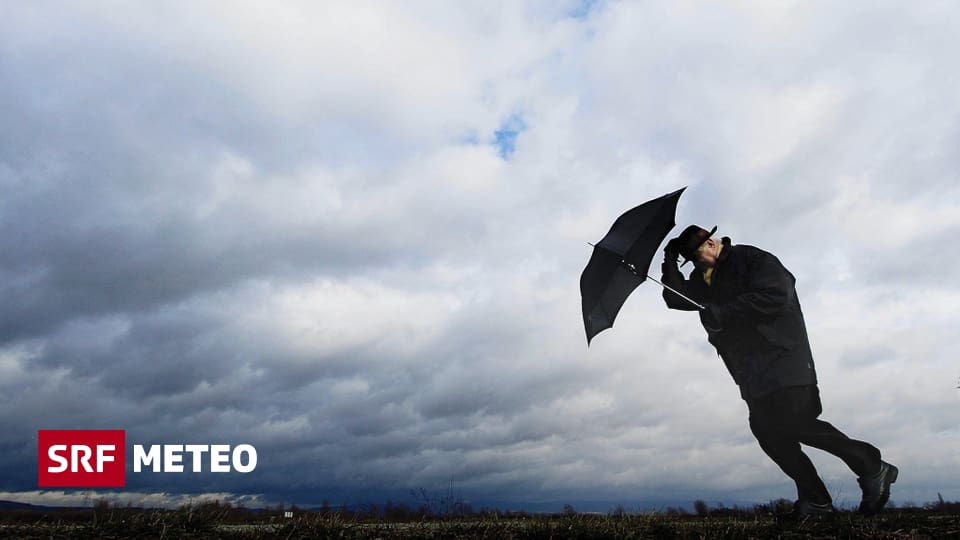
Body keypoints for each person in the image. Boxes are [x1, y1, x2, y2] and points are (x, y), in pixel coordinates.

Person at [660, 225, 897, 518]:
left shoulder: (751, 259)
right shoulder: (702, 278)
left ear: (711, 243)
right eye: (691, 261)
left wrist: (723, 311)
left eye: (696, 257)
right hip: (750, 371)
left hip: (785, 360)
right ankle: (817, 501)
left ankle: (871, 467)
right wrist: (670, 259)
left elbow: (777, 294)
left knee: (798, 423)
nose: (696, 264)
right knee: (770, 435)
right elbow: (675, 298)